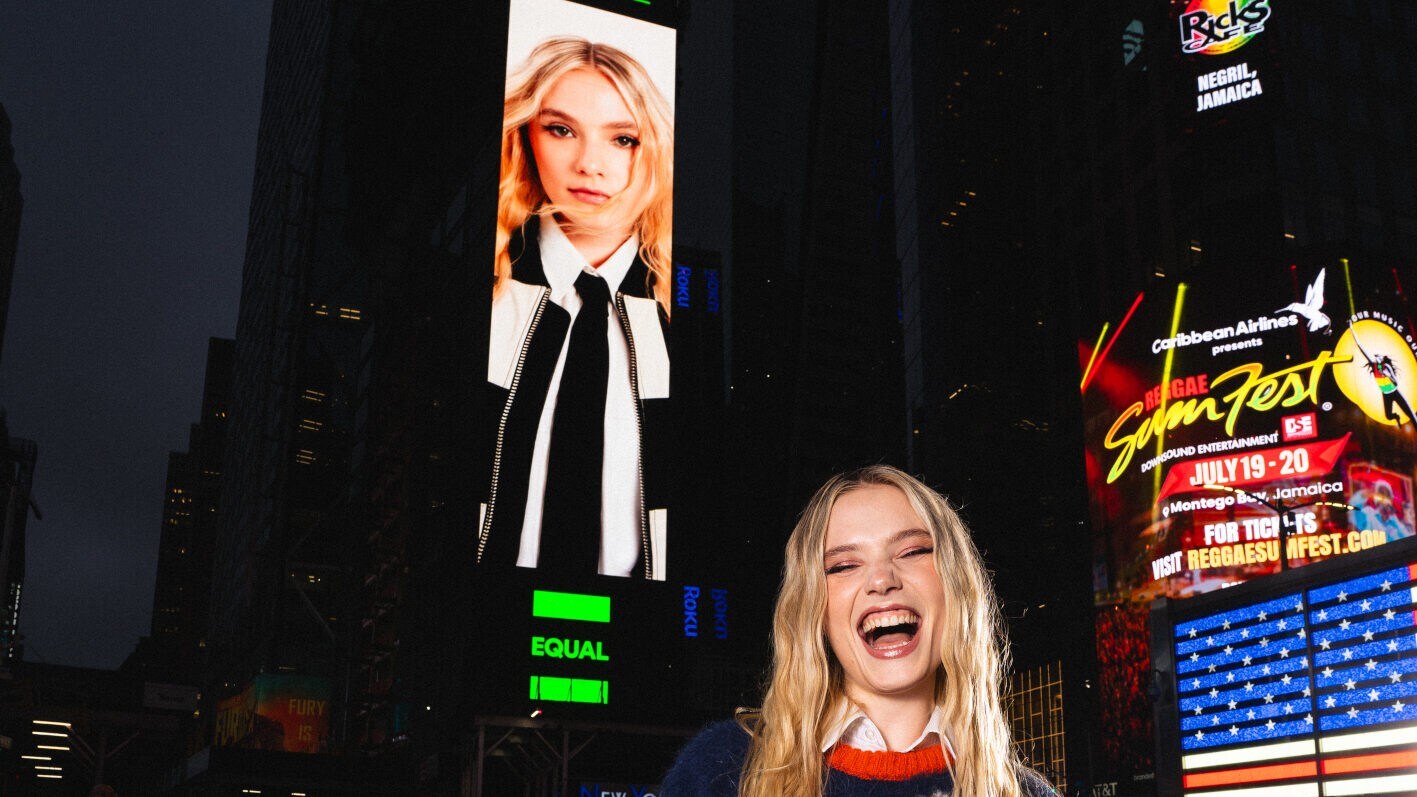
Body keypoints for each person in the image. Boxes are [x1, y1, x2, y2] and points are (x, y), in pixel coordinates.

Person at [663, 465, 1055, 796]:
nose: (882, 579)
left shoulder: (1024, 792)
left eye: (912, 551)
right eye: (843, 566)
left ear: (956, 585)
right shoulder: (720, 770)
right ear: (813, 608)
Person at [478, 37, 674, 579]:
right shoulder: (487, 296)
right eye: (561, 129)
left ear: (652, 147)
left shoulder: (678, 322)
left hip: (636, 634)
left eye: (623, 139)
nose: (591, 164)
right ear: (526, 136)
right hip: (486, 623)